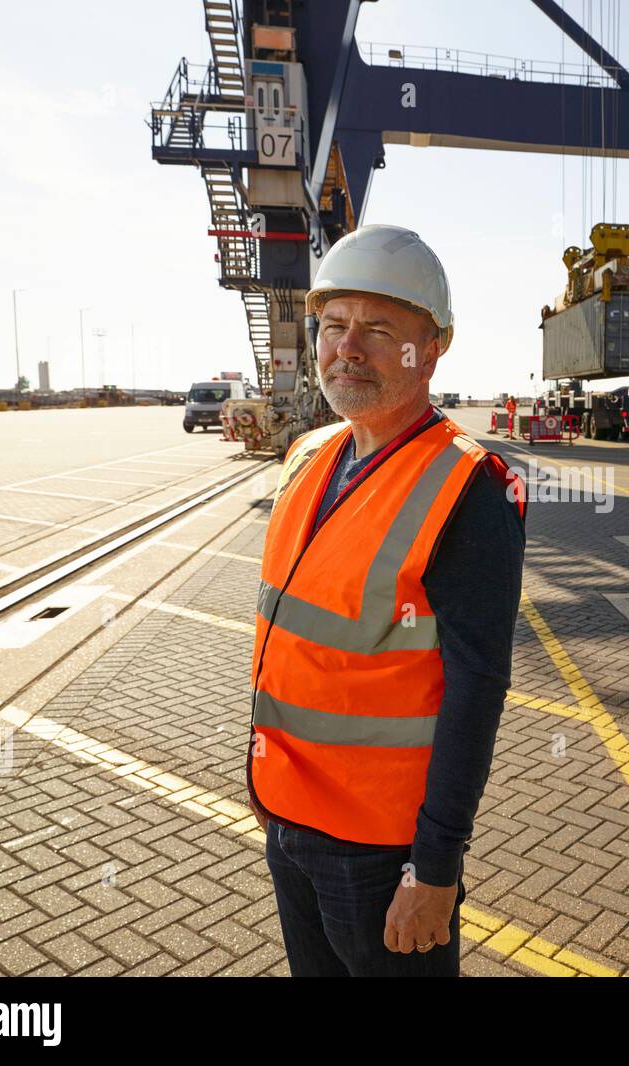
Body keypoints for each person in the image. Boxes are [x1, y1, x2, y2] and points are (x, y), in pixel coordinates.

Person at [249, 224, 527, 976]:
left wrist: (434, 870)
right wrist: (261, 772)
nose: (349, 348)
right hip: (287, 819)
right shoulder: (309, 455)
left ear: (432, 347)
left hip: (380, 853)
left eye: (378, 329)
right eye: (334, 326)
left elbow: (477, 691)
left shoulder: (468, 488)